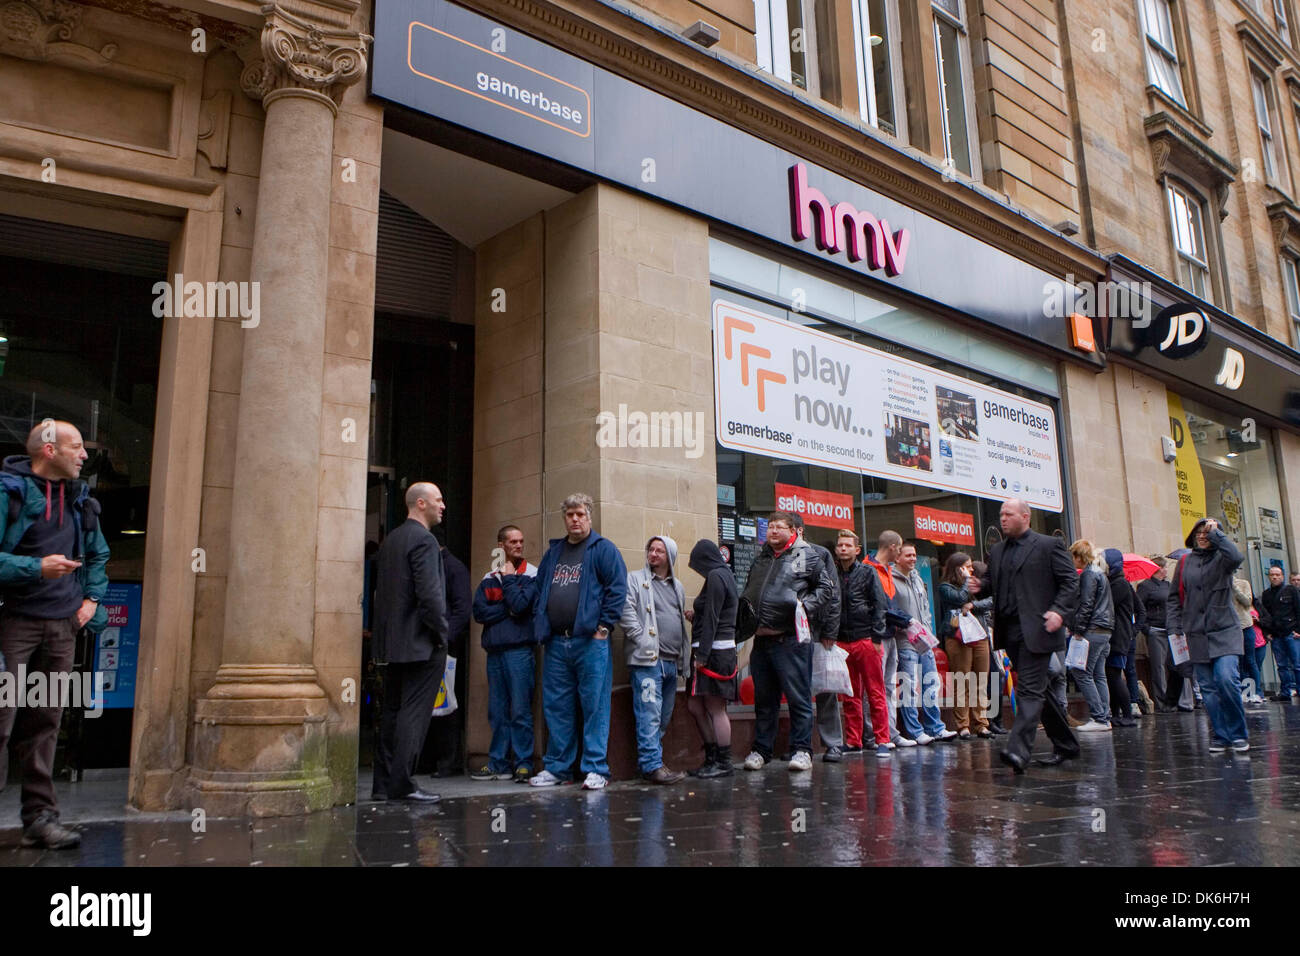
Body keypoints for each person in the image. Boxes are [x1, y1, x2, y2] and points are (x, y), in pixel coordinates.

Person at [0, 421, 110, 849]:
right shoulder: (9, 493)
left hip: (62, 625)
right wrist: (36, 568)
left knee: (45, 722)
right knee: (3, 719)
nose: (84, 455)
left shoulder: (81, 500)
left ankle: (40, 820)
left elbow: (98, 553)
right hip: (14, 623)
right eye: (77, 447)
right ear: (49, 450)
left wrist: (92, 602)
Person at [529, 493, 628, 790]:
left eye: (580, 514)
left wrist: (604, 627)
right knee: (557, 707)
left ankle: (596, 768)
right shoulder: (554, 553)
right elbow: (540, 590)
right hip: (557, 643)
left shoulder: (603, 549)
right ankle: (558, 768)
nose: (574, 519)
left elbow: (617, 589)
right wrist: (541, 621)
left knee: (595, 705)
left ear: (590, 516)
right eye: (570, 514)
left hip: (591, 643)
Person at [980, 499, 1080, 773]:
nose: (1002, 518)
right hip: (1010, 631)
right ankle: (1066, 744)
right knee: (1039, 691)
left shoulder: (1049, 546)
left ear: (1025, 516)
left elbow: (1070, 582)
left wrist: (1059, 611)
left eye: (1008, 514)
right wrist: (977, 586)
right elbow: (990, 584)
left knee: (1030, 690)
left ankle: (1018, 750)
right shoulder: (998, 551)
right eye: (1000, 514)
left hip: (1039, 629)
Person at [740, 512, 836, 772]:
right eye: (770, 526)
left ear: (793, 530)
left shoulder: (802, 554)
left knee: (798, 698)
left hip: (790, 640)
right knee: (765, 699)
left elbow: (826, 589)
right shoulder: (761, 558)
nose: (772, 531)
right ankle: (761, 750)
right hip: (761, 640)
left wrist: (804, 608)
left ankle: (802, 750)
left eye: (778, 527)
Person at [372, 482, 449, 803]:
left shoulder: (391, 540)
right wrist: (441, 633)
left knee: (391, 713)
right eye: (438, 500)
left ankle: (384, 784)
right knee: (413, 716)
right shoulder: (424, 541)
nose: (443, 505)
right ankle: (402, 784)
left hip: (392, 645)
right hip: (421, 644)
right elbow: (429, 595)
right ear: (420, 504)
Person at [1167, 518, 1248, 754]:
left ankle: (1238, 733)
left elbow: (1236, 556)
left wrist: (1217, 534)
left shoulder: (1223, 560)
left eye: (1208, 532)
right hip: (1196, 633)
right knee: (1209, 689)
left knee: (1226, 680)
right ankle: (1221, 735)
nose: (1203, 536)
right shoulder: (1184, 562)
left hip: (1225, 630)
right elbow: (1173, 598)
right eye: (1199, 532)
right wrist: (1174, 627)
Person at [470, 525, 538, 784]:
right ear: (501, 545)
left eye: (521, 541)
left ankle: (523, 764)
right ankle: (499, 763)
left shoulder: (532, 574)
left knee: (520, 709)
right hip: (495, 652)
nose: (519, 546)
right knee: (497, 711)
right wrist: (506, 610)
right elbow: (479, 613)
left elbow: (521, 607)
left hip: (520, 651)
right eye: (513, 542)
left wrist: (509, 581)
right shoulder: (488, 577)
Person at [620, 535, 689, 784]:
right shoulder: (634, 579)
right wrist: (642, 638)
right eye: (651, 549)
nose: (654, 554)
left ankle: (650, 762)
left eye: (660, 551)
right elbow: (625, 609)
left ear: (670, 556)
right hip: (648, 663)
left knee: (663, 716)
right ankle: (652, 766)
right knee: (649, 713)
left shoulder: (677, 586)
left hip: (671, 663)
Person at [832, 530, 893, 758]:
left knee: (875, 692)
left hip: (866, 639)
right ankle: (853, 740)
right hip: (842, 641)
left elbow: (879, 606)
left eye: (848, 545)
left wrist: (876, 638)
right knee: (849, 694)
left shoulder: (868, 572)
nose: (843, 548)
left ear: (857, 550)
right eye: (840, 545)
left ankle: (882, 740)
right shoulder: (833, 573)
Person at [790, 514, 844, 763]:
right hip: (788, 633)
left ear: (799, 530)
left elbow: (832, 595)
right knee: (795, 690)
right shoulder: (776, 555)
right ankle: (798, 745)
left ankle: (832, 743)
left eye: (785, 528)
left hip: (816, 631)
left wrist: (830, 631)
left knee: (824, 688)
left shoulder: (817, 554)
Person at [891, 544, 957, 745]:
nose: (912, 558)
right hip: (905, 641)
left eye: (914, 555)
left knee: (930, 684)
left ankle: (935, 727)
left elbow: (926, 608)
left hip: (924, 640)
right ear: (897, 559)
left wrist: (927, 630)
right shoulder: (891, 580)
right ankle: (914, 731)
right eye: (908, 555)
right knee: (909, 687)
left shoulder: (917, 577)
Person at [684, 539, 739, 778]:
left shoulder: (717, 575)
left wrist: (703, 655)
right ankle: (712, 756)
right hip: (712, 648)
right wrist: (697, 616)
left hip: (714, 652)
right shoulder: (721, 575)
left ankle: (723, 762)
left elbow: (714, 618)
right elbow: (714, 614)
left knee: (715, 708)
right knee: (695, 705)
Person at [424, 535, 471, 776]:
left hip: (445, 646)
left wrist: (445, 638)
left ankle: (447, 762)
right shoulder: (431, 564)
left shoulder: (453, 567)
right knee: (430, 704)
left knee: (446, 704)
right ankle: (429, 760)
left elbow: (463, 609)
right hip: (428, 644)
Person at [937, 552, 992, 738]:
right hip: (958, 637)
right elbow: (960, 598)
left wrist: (974, 606)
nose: (971, 570)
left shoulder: (976, 584)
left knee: (981, 680)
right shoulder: (945, 586)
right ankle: (963, 726)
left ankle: (982, 724)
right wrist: (968, 581)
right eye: (967, 566)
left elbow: (992, 600)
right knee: (963, 680)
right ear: (958, 568)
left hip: (979, 635)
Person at [1065, 540, 1114, 733]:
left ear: (1078, 556)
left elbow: (1086, 605)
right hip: (1105, 630)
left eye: (1073, 556)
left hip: (1092, 629)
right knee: (1098, 674)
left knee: (1081, 672)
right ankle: (1105, 715)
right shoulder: (1100, 574)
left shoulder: (1088, 575)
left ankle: (1099, 717)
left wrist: (1077, 629)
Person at [864, 531, 905, 747]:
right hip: (876, 636)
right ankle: (873, 734)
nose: (900, 552)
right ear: (892, 546)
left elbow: (888, 604)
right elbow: (877, 606)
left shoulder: (886, 570)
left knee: (888, 685)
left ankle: (889, 732)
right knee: (875, 686)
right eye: (899, 548)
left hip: (889, 634)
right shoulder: (868, 569)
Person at [1102, 548, 1138, 728]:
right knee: (1110, 675)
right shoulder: (1116, 583)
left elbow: (1107, 605)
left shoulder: (1120, 584)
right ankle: (1116, 714)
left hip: (1118, 636)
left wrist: (1134, 630)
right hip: (1117, 635)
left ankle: (1127, 714)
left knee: (1115, 675)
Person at [970, 559, 1007, 735]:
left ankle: (995, 720)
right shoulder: (970, 590)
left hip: (990, 634)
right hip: (983, 634)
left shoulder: (986, 592)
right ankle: (992, 720)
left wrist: (974, 604)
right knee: (991, 678)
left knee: (996, 677)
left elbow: (993, 602)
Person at [1259, 565, 1300, 702]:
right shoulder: (1266, 594)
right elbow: (1265, 615)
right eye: (1272, 575)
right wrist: (1267, 632)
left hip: (1291, 632)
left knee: (1297, 664)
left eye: (1277, 574)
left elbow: (1298, 609)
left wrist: (1299, 631)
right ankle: (1285, 692)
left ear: (1282, 576)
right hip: (1276, 634)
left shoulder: (1291, 590)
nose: (1275, 577)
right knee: (1282, 665)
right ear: (1269, 577)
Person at [1231, 571, 1263, 706]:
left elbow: (1247, 602)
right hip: (1231, 628)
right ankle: (1244, 692)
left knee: (1250, 660)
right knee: (1239, 661)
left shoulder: (1243, 583)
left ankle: (1257, 692)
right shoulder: (1219, 585)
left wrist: (1234, 587)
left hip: (1245, 626)